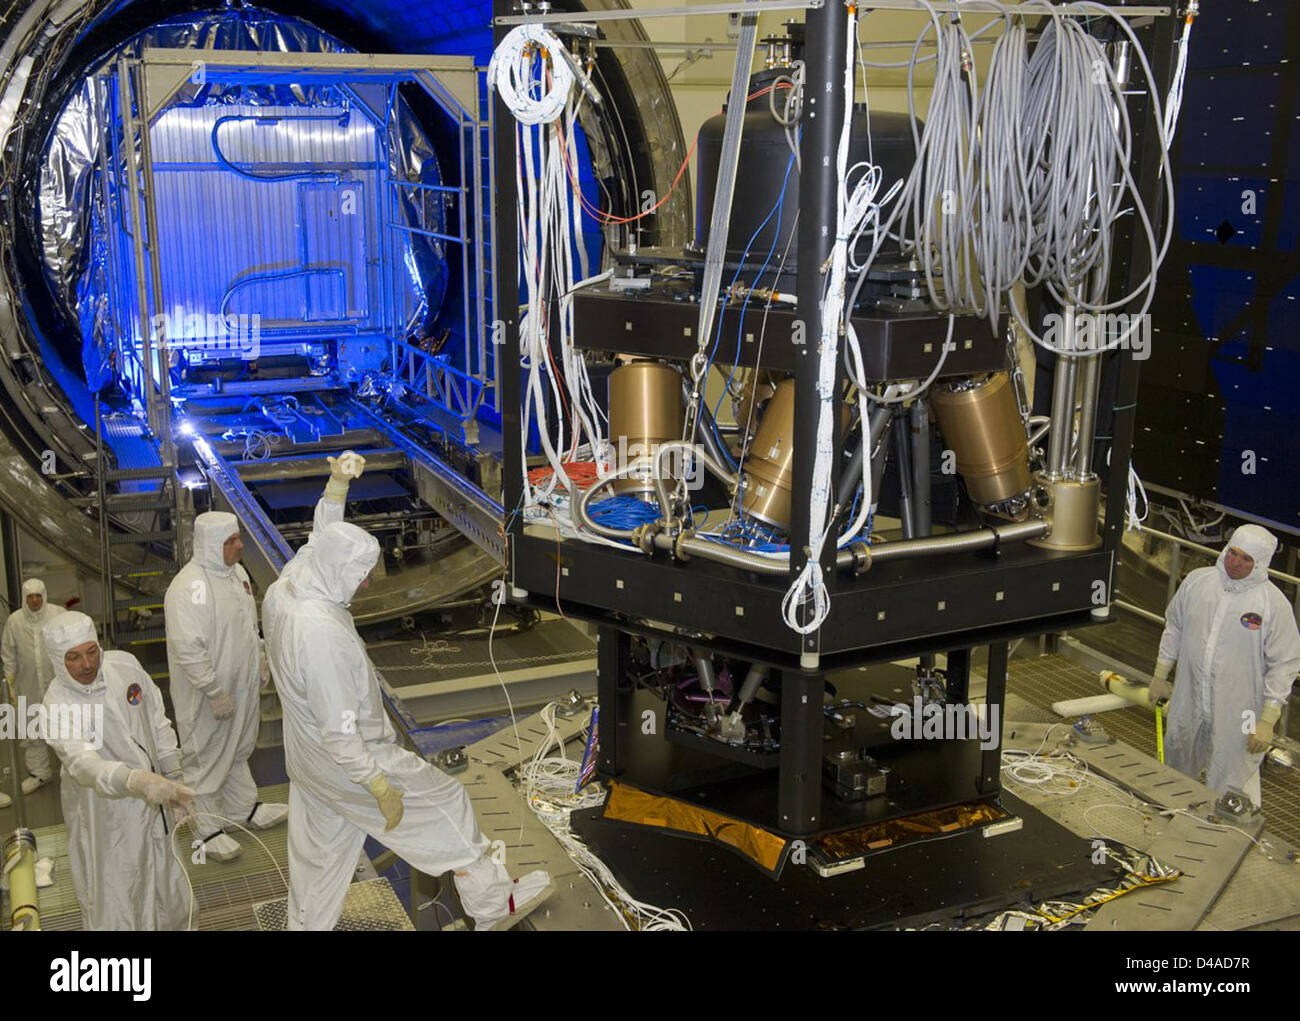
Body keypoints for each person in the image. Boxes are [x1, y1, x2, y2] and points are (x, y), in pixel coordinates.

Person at [263, 451, 552, 930]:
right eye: (362, 575)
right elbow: (341, 734)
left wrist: (337, 486)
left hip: (306, 760)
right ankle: (490, 905)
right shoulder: (321, 634)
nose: (368, 581)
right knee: (448, 806)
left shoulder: (290, 584)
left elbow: (321, 540)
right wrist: (379, 786)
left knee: (318, 866)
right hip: (349, 761)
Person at [42, 611, 194, 929]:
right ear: (58, 660)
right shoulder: (56, 706)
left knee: (168, 885)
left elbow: (155, 718)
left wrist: (174, 774)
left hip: (154, 802)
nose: (86, 664)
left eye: (91, 651)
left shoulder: (125, 666)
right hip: (105, 814)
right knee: (118, 895)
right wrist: (134, 779)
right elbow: (85, 765)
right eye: (73, 657)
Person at [164, 511, 287, 863]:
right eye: (230, 542)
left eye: (238, 538)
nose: (239, 546)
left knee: (238, 748)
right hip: (208, 697)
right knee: (206, 756)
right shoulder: (189, 588)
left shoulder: (237, 575)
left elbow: (249, 625)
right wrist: (213, 690)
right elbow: (188, 648)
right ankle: (205, 828)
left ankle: (240, 809)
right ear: (210, 545)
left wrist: (260, 658)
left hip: (242, 686)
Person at [1149, 524, 1300, 807]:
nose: (1235, 562)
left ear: (1260, 564)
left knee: (1233, 774)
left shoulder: (1272, 604)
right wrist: (1160, 675)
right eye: (1233, 553)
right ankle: (1175, 818)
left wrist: (1267, 719)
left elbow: (1285, 663)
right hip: (1189, 694)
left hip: (1240, 709)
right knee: (1177, 756)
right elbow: (1174, 628)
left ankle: (1232, 833)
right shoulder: (1198, 582)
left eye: (1246, 559)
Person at [2, 578, 66, 795]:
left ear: (45, 595)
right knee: (32, 728)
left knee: (64, 725)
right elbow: (8, 654)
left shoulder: (58, 614)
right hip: (27, 684)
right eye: (30, 597)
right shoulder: (15, 622)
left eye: (39, 596)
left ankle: (72, 770)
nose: (35, 601)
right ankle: (39, 773)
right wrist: (9, 683)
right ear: (24, 598)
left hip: (57, 682)